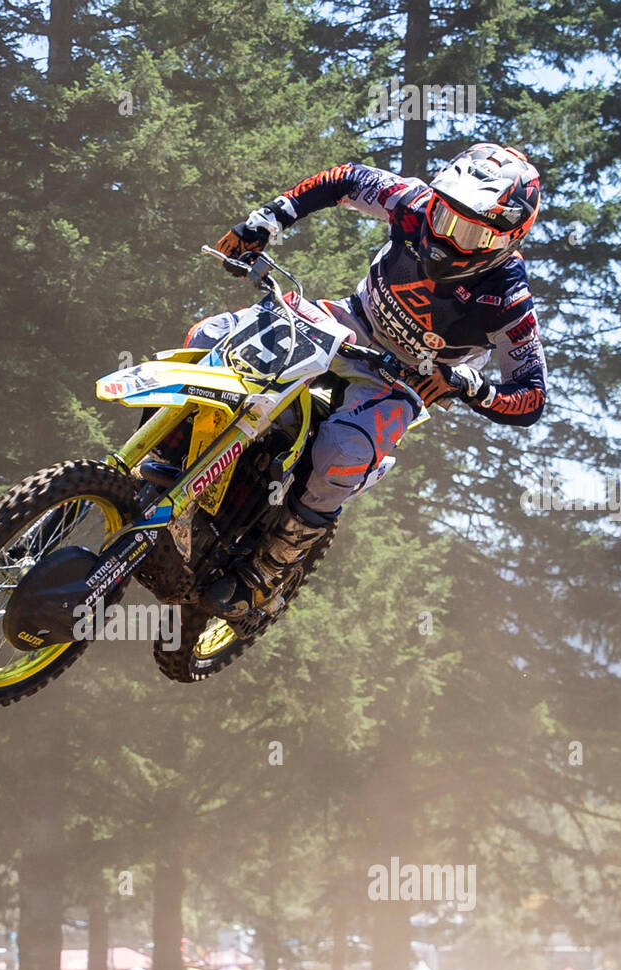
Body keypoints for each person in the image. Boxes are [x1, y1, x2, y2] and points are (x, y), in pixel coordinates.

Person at [200, 143, 546, 616]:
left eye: (471, 233)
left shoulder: (508, 297)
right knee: (210, 337)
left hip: (405, 377)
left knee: (342, 451)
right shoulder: (413, 201)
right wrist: (266, 221)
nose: (448, 239)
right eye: (445, 218)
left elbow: (531, 396)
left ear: (508, 239)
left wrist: (466, 385)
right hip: (347, 321)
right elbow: (344, 178)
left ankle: (270, 567)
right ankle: (168, 456)